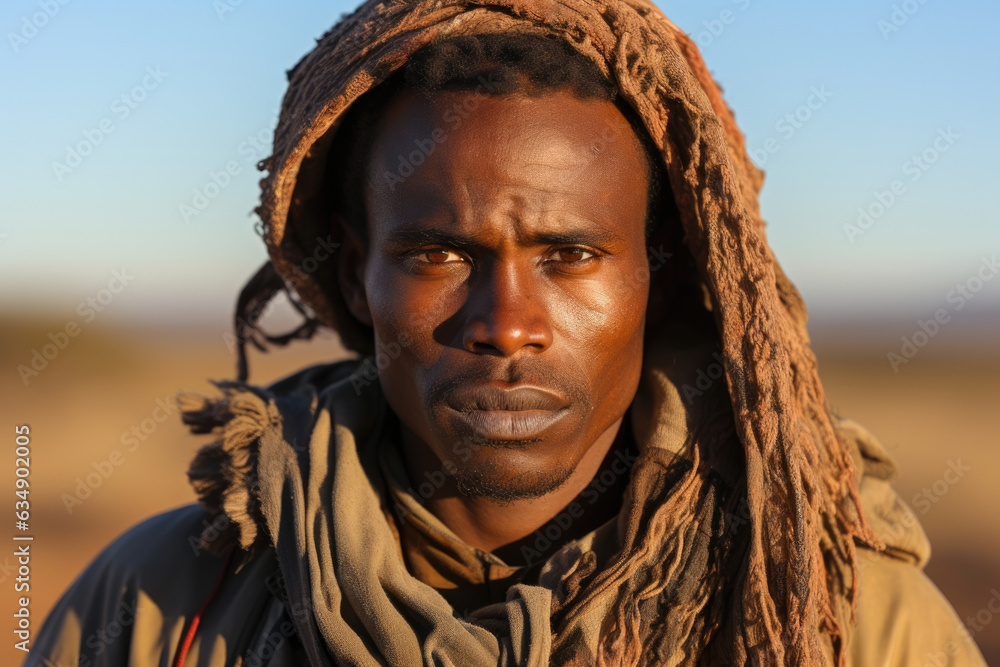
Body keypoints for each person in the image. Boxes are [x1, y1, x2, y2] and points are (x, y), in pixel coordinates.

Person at [26, 0, 987, 665]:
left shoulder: (829, 618)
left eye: (570, 254)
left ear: (660, 274)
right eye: (438, 254)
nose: (507, 325)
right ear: (357, 274)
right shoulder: (170, 603)